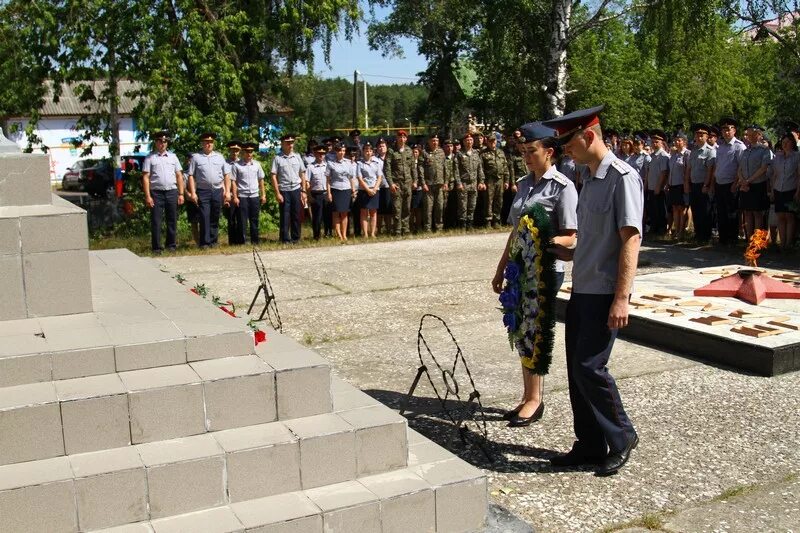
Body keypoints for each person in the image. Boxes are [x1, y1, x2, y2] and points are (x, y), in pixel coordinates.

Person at [544, 105, 643, 476]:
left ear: (588, 136)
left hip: (604, 291)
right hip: (582, 287)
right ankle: (588, 444)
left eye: (568, 143)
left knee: (591, 366)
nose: (564, 150)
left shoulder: (622, 177)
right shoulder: (589, 177)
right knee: (576, 370)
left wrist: (622, 297)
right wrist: (564, 249)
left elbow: (630, 239)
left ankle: (622, 436)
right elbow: (594, 237)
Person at [491, 122, 578, 428]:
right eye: (524, 152)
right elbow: (515, 232)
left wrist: (545, 243)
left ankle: (535, 400)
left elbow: (572, 235)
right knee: (520, 329)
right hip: (519, 269)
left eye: (532, 151)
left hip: (544, 271)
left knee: (536, 332)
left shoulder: (562, 188)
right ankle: (528, 395)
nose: (527, 157)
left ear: (549, 152)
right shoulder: (524, 184)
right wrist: (501, 268)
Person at [186, 132, 231, 249]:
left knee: (215, 215)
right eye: (206, 142)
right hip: (203, 191)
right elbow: (191, 175)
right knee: (204, 216)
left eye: (211, 142)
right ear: (202, 143)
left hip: (217, 190)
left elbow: (227, 175)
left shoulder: (220, 157)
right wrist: (193, 193)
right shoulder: (196, 157)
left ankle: (213, 241)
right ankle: (204, 243)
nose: (209, 144)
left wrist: (227, 192)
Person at [142, 131, 184, 254]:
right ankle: (156, 247)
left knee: (172, 219)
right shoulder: (150, 158)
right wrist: (148, 196)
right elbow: (145, 177)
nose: (162, 144)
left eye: (165, 141)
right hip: (156, 193)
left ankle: (171, 245)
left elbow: (179, 175)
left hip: (172, 191)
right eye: (160, 141)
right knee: (156, 220)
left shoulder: (173, 157)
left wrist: (181, 194)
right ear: (156, 142)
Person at [712, 117, 746, 245]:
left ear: (734, 131)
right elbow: (718, 164)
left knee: (731, 212)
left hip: (731, 183)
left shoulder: (739, 146)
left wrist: (735, 183)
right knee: (721, 212)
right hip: (719, 182)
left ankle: (732, 239)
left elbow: (741, 166)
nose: (726, 132)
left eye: (729, 129)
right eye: (724, 130)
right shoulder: (720, 146)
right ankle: (723, 238)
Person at [735, 124, 771, 240]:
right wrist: (742, 180)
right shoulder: (746, 151)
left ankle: (757, 241)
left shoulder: (764, 150)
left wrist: (749, 180)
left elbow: (763, 168)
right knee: (748, 213)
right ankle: (749, 239)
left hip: (757, 185)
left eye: (752, 134)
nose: (749, 136)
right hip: (746, 186)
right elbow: (740, 168)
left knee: (757, 214)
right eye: (748, 134)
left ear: (759, 135)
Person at [271, 134, 307, 244]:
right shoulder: (277, 158)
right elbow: (273, 176)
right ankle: (285, 239)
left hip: (296, 189)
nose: (290, 145)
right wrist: (277, 193)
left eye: (292, 142)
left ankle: (296, 238)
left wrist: (304, 190)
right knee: (285, 215)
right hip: (284, 190)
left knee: (296, 214)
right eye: (288, 143)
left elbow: (302, 173)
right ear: (282, 144)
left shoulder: (297, 157)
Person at [770, 132, 800, 250]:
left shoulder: (797, 156)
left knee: (789, 217)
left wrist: (798, 192)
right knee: (780, 216)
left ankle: (788, 243)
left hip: (791, 189)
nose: (785, 144)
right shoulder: (778, 156)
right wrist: (772, 190)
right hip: (778, 189)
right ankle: (782, 243)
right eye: (783, 142)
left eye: (787, 142)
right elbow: (775, 175)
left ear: (792, 143)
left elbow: (798, 176)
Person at [231, 142, 266, 244]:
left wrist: (263, 195)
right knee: (242, 221)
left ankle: (255, 241)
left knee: (254, 220)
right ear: (243, 152)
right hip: (242, 196)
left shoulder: (257, 165)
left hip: (254, 196)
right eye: (247, 151)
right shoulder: (236, 166)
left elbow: (261, 180)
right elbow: (233, 181)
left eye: (251, 151)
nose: (249, 153)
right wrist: (235, 197)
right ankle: (242, 242)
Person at [687, 124, 716, 243]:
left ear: (707, 137)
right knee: (695, 209)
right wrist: (687, 183)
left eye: (702, 135)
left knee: (705, 211)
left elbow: (710, 170)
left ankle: (705, 235)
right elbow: (689, 168)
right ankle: (698, 233)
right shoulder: (693, 151)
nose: (699, 137)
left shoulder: (710, 151)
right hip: (694, 183)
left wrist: (706, 185)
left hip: (704, 185)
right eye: (697, 135)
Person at [385, 130, 415, 235]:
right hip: (397, 183)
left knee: (407, 206)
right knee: (397, 207)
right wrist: (391, 183)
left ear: (406, 139)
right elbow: (387, 169)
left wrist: (415, 181)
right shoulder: (391, 151)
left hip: (407, 183)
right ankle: (397, 229)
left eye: (404, 137)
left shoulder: (409, 150)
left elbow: (412, 167)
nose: (402, 139)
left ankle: (405, 228)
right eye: (400, 137)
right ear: (397, 138)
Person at [326, 142, 356, 241]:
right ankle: (338, 234)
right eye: (339, 151)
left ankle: (344, 234)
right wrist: (329, 193)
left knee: (344, 213)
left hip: (346, 189)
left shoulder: (348, 163)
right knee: (336, 213)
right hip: (335, 189)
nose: (341, 153)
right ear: (336, 151)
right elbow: (328, 180)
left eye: (343, 151)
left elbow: (351, 178)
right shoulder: (330, 163)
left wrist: (353, 190)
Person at [456, 132, 486, 230]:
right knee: (463, 205)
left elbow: (479, 169)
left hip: (474, 183)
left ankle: (470, 224)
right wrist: (459, 183)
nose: (469, 142)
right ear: (464, 142)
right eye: (467, 140)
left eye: (471, 140)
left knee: (472, 205)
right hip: (463, 183)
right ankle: (462, 225)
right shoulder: (459, 154)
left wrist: (481, 181)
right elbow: (455, 170)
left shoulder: (476, 153)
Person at [481, 132, 510, 228]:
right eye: (490, 141)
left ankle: (496, 220)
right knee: (489, 201)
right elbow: (481, 169)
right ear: (487, 142)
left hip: (500, 180)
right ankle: (488, 221)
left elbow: (505, 167)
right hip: (489, 180)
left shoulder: (501, 152)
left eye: (494, 141)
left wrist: (506, 181)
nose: (492, 143)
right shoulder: (483, 153)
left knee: (499, 200)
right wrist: (482, 181)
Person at [357, 142, 384, 238]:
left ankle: (372, 233)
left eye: (370, 151)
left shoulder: (376, 163)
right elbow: (359, 178)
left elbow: (380, 177)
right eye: (366, 150)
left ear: (372, 152)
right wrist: (368, 190)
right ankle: (365, 233)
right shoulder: (359, 163)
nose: (368, 152)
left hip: (375, 190)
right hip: (364, 190)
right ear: (363, 151)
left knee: (373, 212)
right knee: (364, 212)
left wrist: (375, 188)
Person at [645, 130, 669, 236]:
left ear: (662, 143)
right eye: (653, 142)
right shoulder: (653, 155)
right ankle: (654, 228)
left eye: (656, 142)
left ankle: (661, 229)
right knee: (653, 209)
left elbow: (664, 172)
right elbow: (649, 172)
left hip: (658, 188)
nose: (654, 144)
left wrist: (659, 187)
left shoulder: (664, 156)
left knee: (660, 210)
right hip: (651, 186)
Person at [421, 134, 447, 232]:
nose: (435, 142)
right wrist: (423, 183)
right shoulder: (424, 153)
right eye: (433, 140)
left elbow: (445, 168)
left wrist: (446, 182)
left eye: (436, 140)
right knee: (428, 208)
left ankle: (439, 227)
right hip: (429, 185)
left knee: (439, 207)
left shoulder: (441, 152)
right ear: (429, 141)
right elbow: (420, 169)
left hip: (439, 184)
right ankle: (427, 228)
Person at [668, 132, 690, 240]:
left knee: (682, 208)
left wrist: (686, 184)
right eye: (676, 140)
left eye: (679, 140)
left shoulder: (687, 154)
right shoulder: (674, 154)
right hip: (673, 184)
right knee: (675, 208)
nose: (677, 142)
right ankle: (676, 230)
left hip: (682, 184)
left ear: (684, 142)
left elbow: (687, 170)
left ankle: (682, 231)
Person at [306, 144, 330, 240]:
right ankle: (317, 235)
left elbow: (330, 180)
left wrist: (329, 193)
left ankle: (328, 233)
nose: (321, 155)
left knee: (327, 215)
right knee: (317, 217)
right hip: (316, 194)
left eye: (323, 153)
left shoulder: (328, 165)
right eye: (319, 153)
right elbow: (307, 182)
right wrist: (309, 196)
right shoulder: (310, 167)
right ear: (315, 154)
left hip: (326, 193)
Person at [225, 140, 245, 245]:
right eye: (233, 150)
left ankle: (241, 241)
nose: (235, 152)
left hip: (241, 195)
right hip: (230, 195)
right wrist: (225, 195)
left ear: (240, 151)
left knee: (241, 218)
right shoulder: (224, 163)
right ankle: (232, 242)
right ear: (229, 150)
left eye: (237, 150)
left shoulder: (242, 163)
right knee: (231, 219)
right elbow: (222, 180)